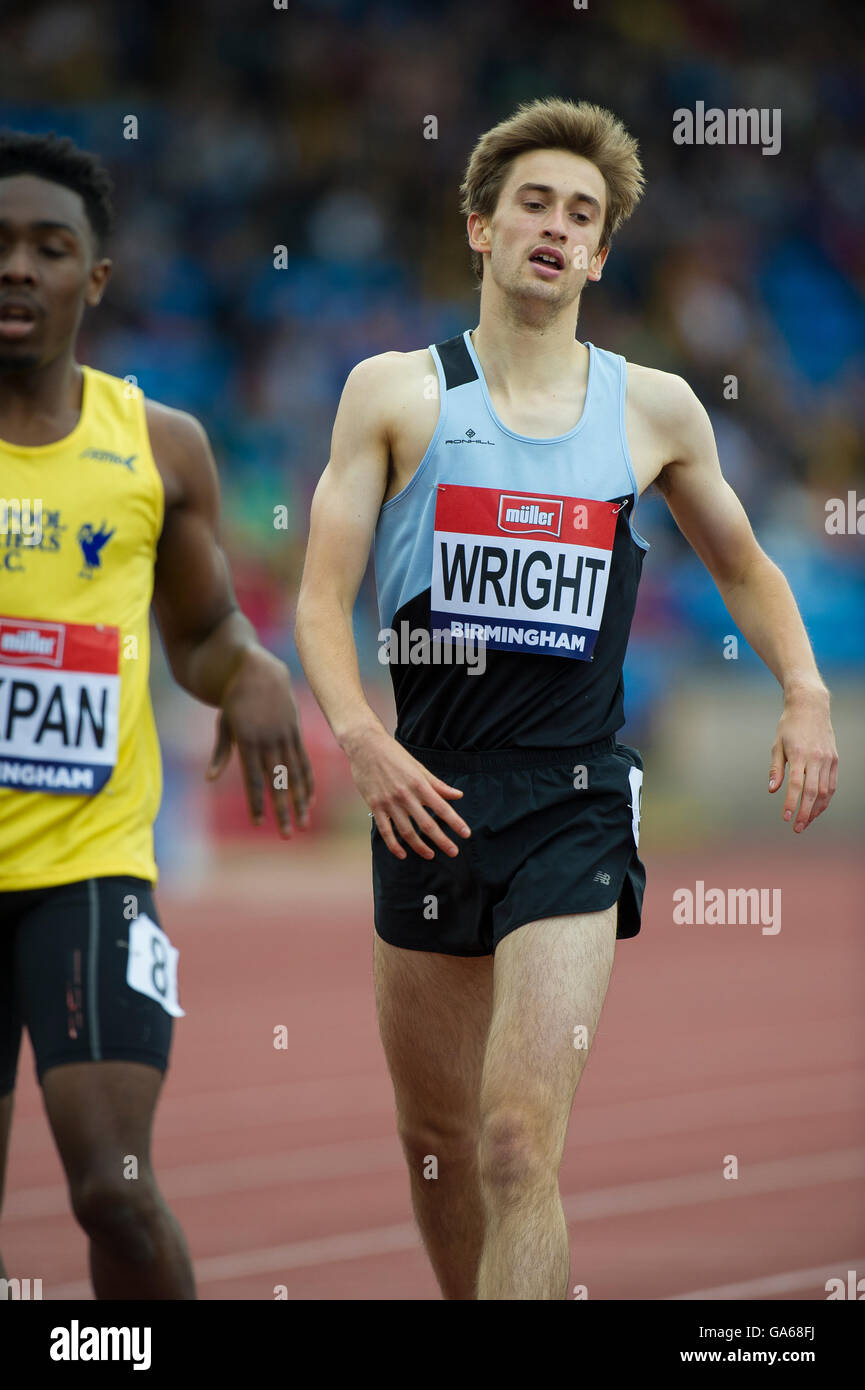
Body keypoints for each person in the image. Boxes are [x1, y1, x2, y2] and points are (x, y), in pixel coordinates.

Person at [294, 97, 838, 1300]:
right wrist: (360, 738)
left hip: (575, 797)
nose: (555, 226)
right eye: (533, 203)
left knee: (511, 1140)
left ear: (599, 255)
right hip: (424, 796)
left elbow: (745, 564)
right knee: (437, 1149)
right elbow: (322, 602)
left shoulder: (651, 410)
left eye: (580, 215)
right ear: (480, 228)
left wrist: (803, 690)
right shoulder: (394, 395)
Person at [0, 131, 313, 1300]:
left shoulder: (157, 445)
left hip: (88, 867)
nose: (17, 268)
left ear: (96, 277)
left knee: (116, 1192)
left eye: (48, 247)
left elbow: (202, 634)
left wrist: (254, 672)